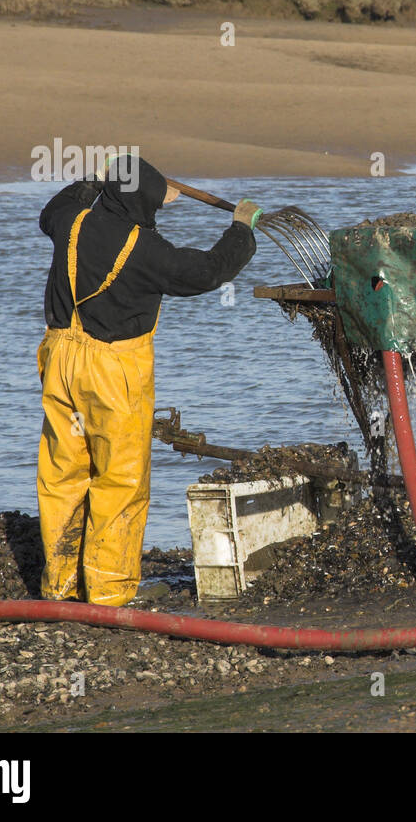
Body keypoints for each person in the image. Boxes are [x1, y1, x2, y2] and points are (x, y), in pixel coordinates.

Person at [36, 155, 261, 605]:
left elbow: (52, 210)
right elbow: (207, 272)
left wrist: (97, 179)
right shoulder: (145, 249)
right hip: (114, 371)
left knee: (62, 473)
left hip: (59, 359)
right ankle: (108, 592)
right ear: (144, 202)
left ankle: (59, 585)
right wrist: (241, 229)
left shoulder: (71, 222)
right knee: (120, 479)